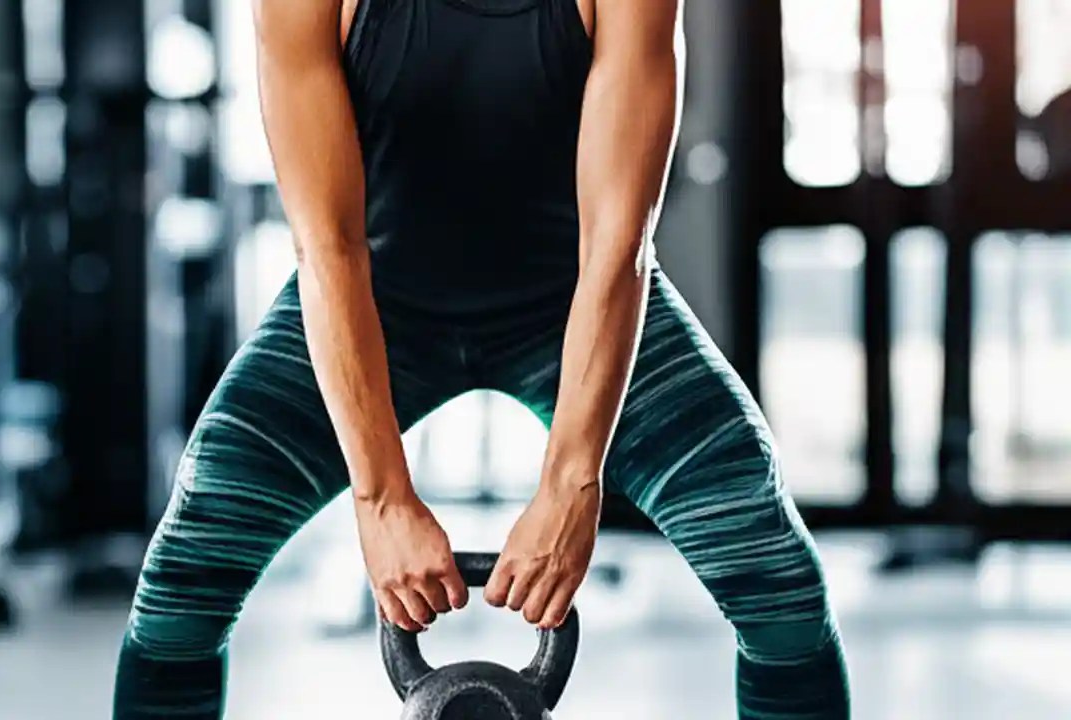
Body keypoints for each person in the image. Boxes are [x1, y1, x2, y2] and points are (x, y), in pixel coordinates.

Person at [113, 0, 851, 717]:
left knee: (777, 586)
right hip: (377, 304)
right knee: (183, 586)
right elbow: (328, 248)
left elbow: (617, 246)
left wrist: (573, 483)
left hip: (573, 306)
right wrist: (381, 499)